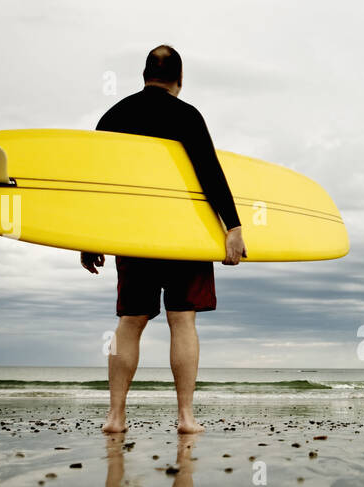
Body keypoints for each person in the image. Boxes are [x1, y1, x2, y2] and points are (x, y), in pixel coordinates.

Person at [82, 44, 246, 434]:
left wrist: (88, 236)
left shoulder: (114, 115)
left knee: (130, 321)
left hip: (133, 233)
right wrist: (233, 227)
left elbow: (94, 181)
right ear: (180, 79)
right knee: (182, 320)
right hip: (183, 233)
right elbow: (209, 170)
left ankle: (115, 416)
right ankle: (186, 417)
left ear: (143, 76)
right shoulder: (187, 115)